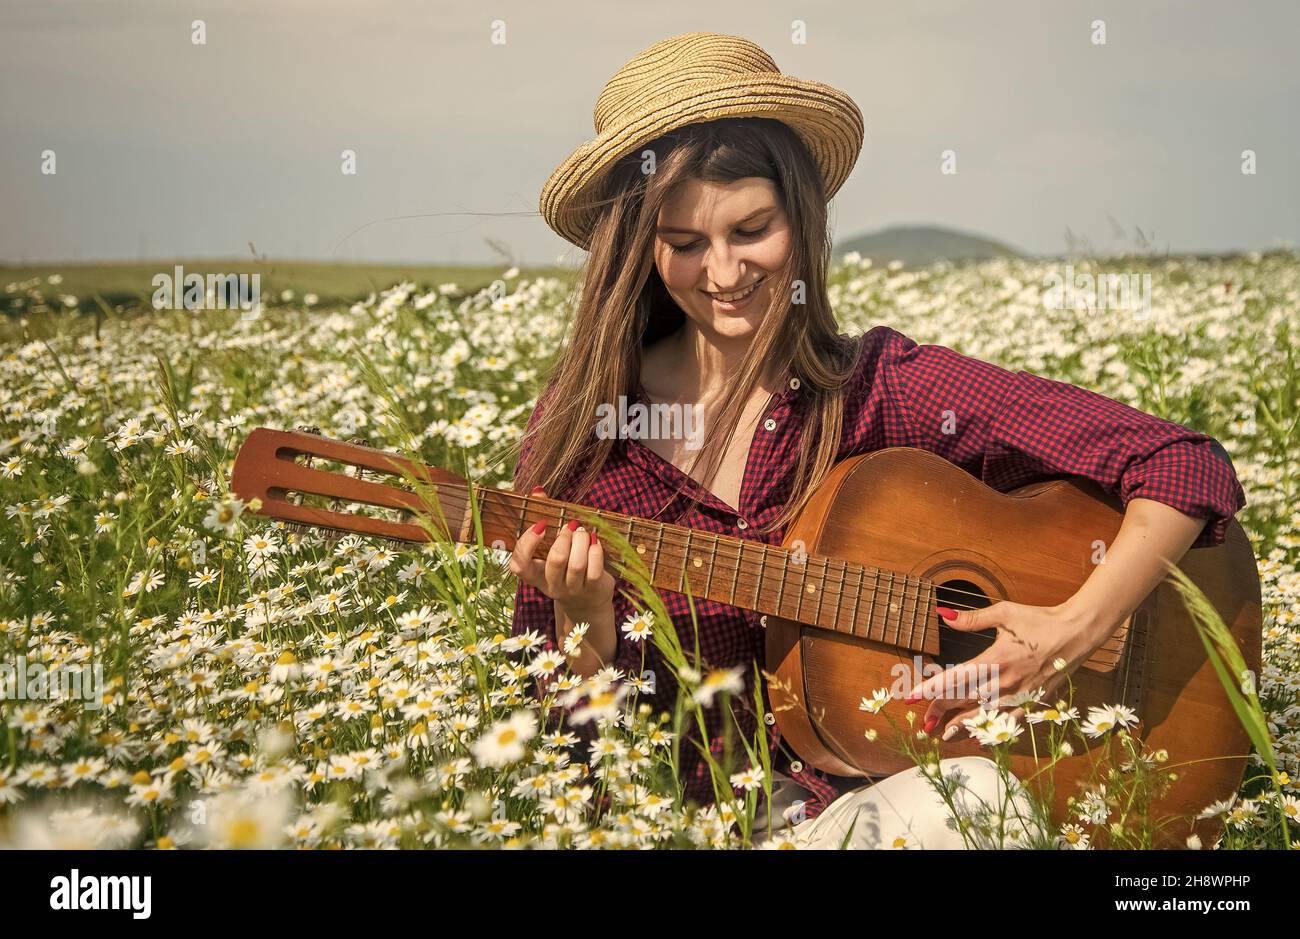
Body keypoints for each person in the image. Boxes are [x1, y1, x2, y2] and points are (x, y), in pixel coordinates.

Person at [508, 32, 1247, 847]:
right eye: (684, 245)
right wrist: (586, 625)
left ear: (803, 218)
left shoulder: (878, 388)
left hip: (880, 814)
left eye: (751, 229)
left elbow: (1182, 463)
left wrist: (1074, 627)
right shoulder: (584, 441)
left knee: (957, 801)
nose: (722, 273)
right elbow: (576, 765)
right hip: (705, 825)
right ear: (641, 252)